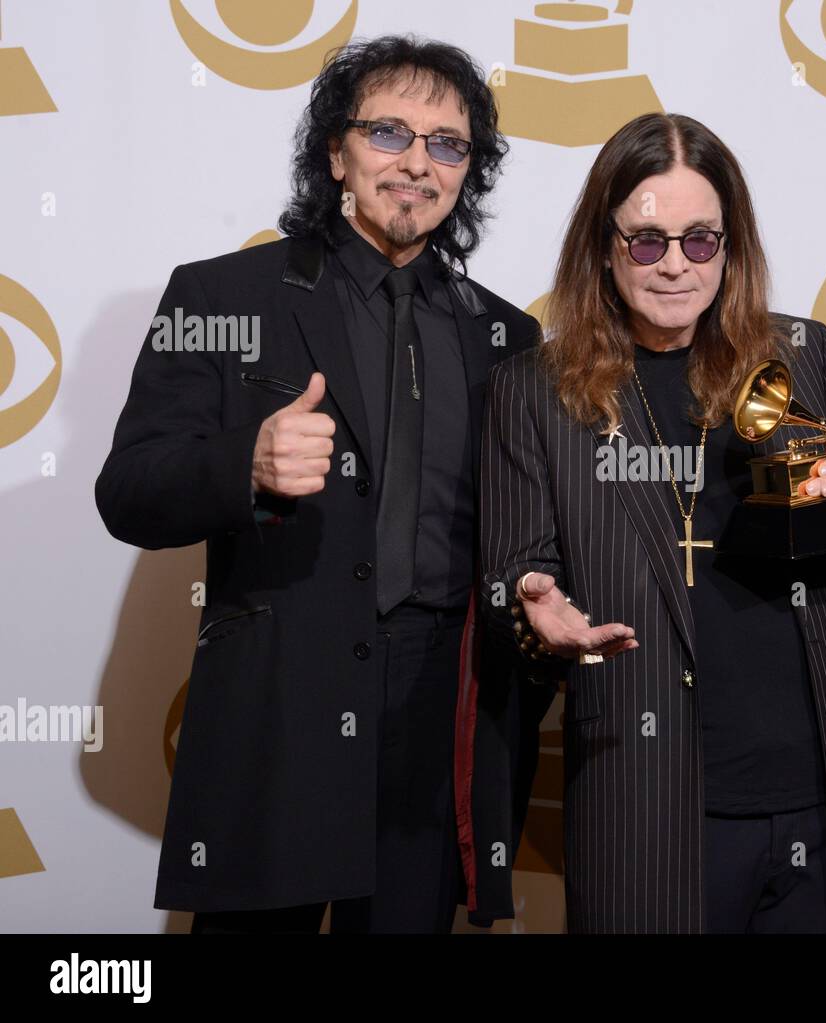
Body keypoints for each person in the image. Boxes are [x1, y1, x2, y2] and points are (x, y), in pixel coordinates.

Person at [95, 36, 547, 933]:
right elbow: (130, 490)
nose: (417, 162)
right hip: (279, 712)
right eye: (389, 131)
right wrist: (244, 463)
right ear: (335, 151)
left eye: (447, 143)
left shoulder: (508, 336)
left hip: (437, 717)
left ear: (469, 170)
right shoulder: (224, 297)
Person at [479, 112, 826, 934]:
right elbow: (516, 572)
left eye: (700, 240)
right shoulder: (534, 390)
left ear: (731, 246)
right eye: (647, 241)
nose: (675, 267)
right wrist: (532, 607)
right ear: (604, 244)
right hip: (650, 800)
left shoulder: (801, 354)